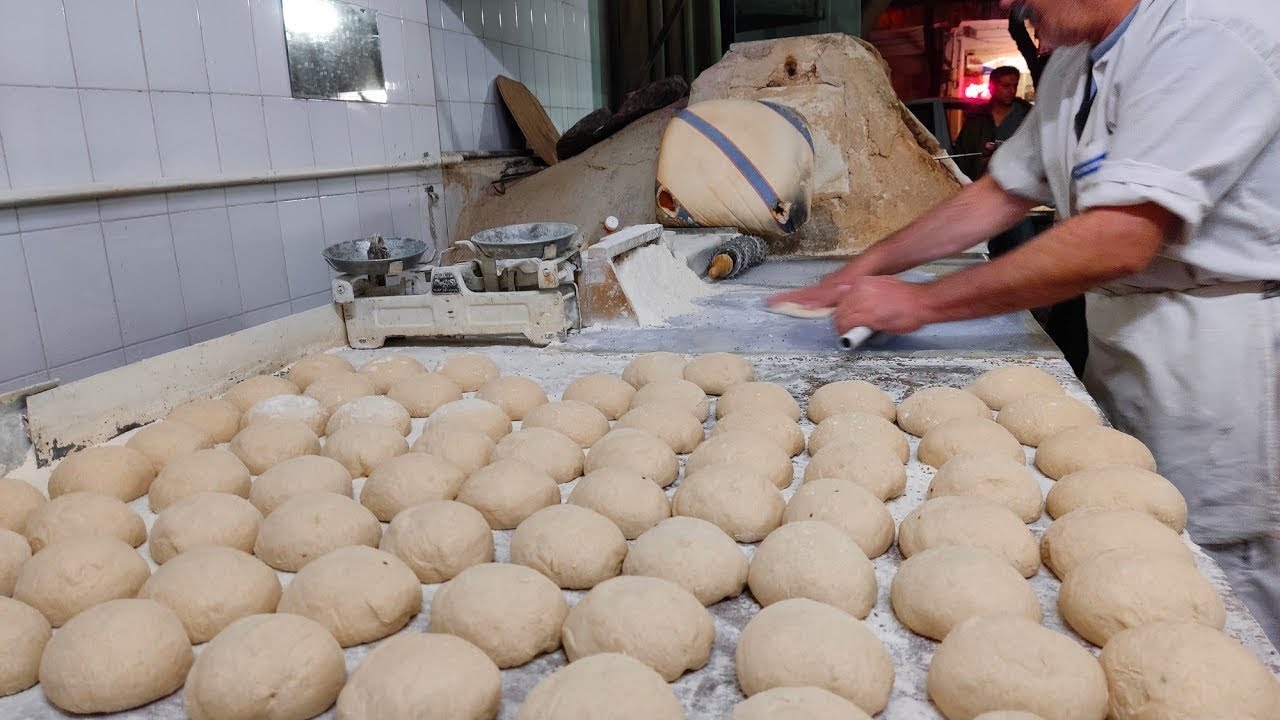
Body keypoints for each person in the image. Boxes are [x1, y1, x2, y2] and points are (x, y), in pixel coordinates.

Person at [772, 0, 1280, 646]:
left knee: (1210, 613)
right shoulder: (1076, 63)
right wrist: (870, 265)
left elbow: (1119, 239)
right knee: (1113, 559)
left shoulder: (1214, 33)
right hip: (1128, 355)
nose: (1014, 3)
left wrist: (922, 302)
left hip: (1219, 388)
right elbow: (998, 193)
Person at [952, 66, 1033, 182]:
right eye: (1006, 86)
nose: (1012, 91)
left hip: (1015, 186)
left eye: (1014, 85)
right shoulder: (977, 117)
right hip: (981, 185)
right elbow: (963, 153)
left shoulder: (1025, 115)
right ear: (992, 87)